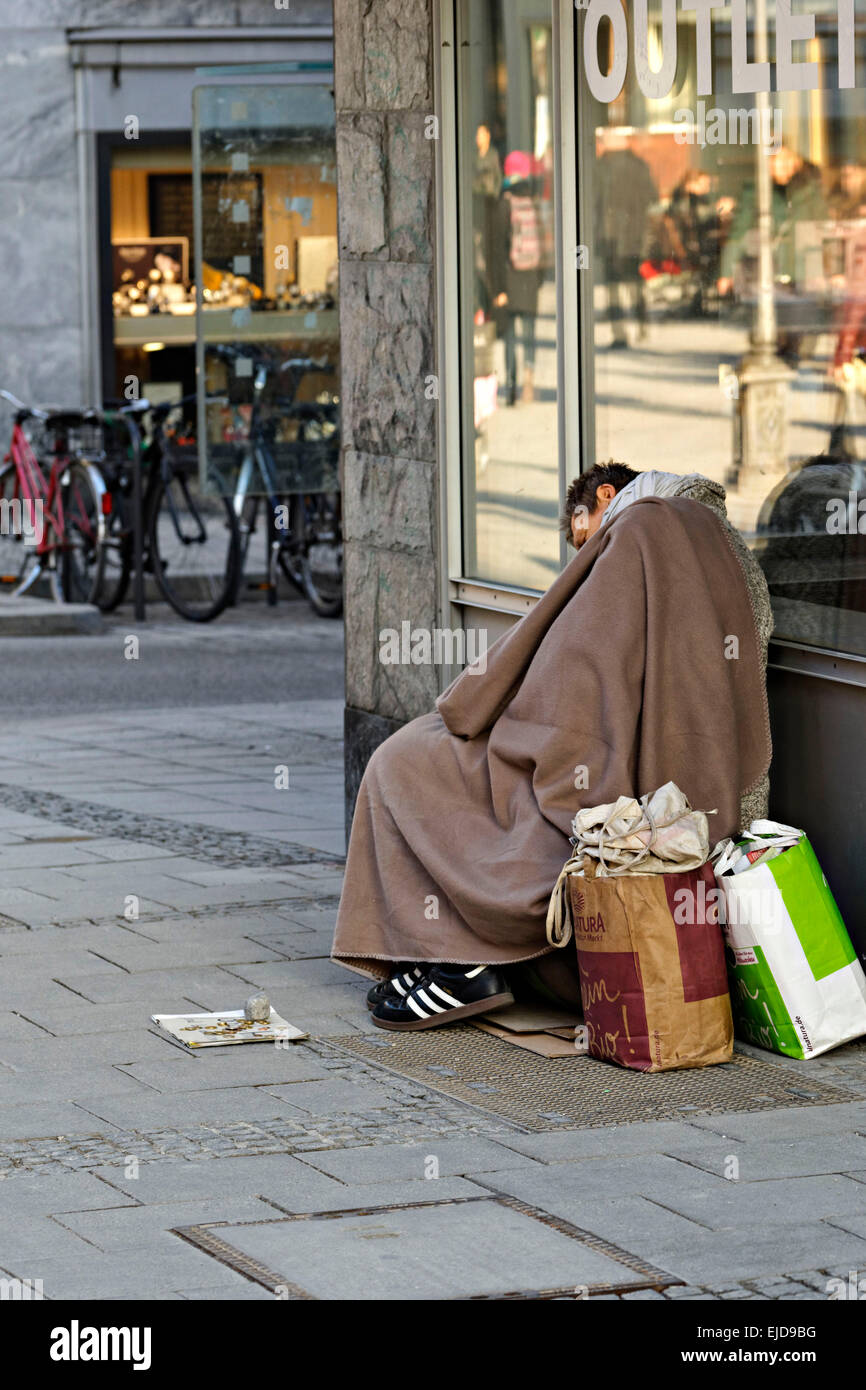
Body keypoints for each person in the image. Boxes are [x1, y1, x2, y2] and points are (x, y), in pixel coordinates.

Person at [332, 464, 773, 1030]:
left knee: (403, 761)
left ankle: (467, 961)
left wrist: (501, 719)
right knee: (432, 759)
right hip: (648, 767)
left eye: (582, 535)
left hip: (602, 770)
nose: (581, 554)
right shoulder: (706, 536)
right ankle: (448, 952)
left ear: (606, 498)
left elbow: (575, 683)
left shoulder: (641, 529)